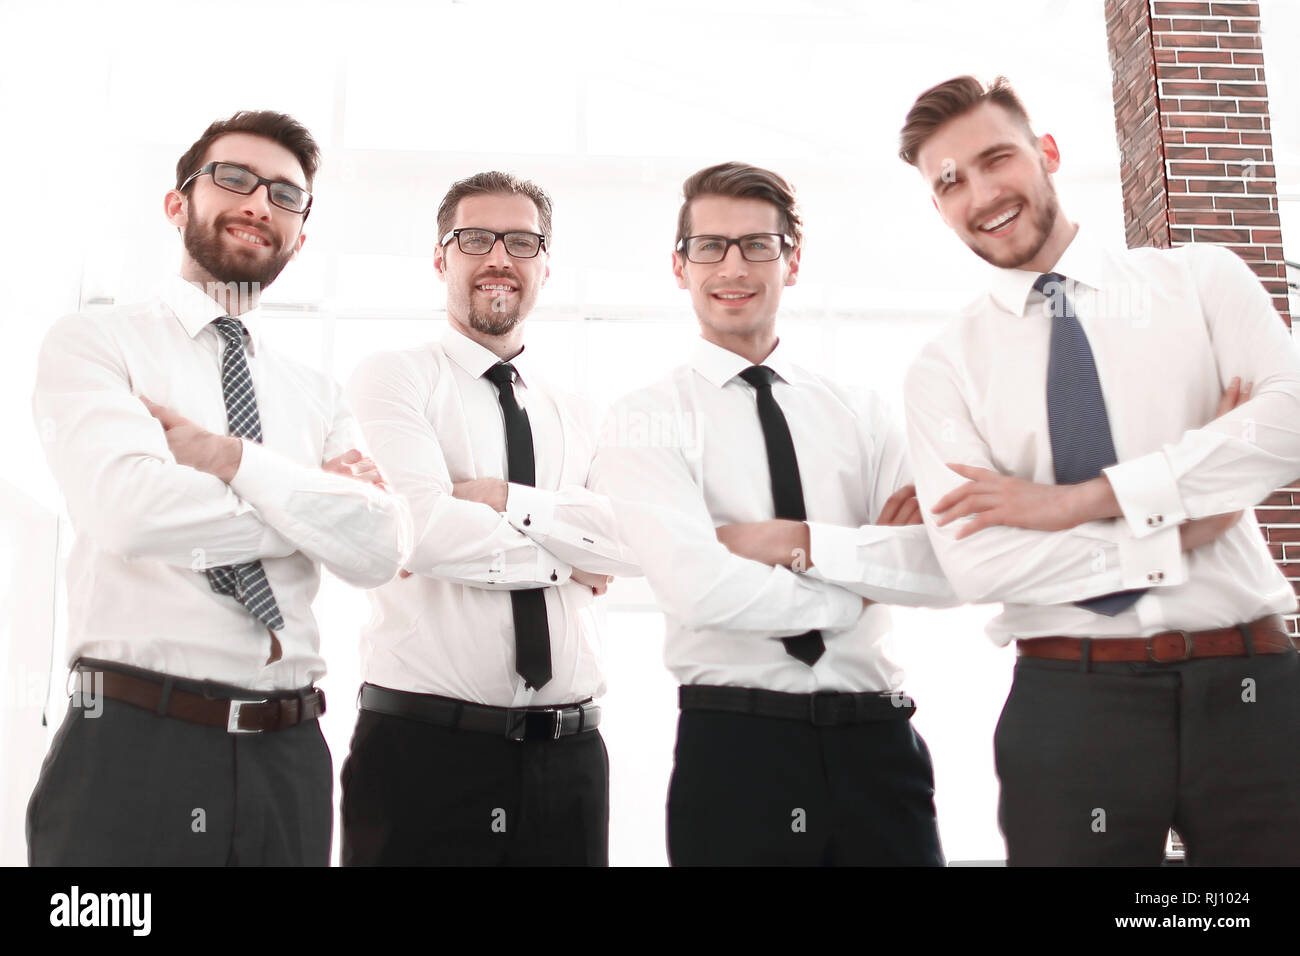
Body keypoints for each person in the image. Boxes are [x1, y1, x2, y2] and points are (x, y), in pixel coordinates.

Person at [898, 75, 1300, 865]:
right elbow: (981, 560)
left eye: (995, 159)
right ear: (938, 205)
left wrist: (1078, 502)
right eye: (949, 182)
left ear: (1046, 153)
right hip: (1071, 703)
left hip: (1252, 687)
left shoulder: (1202, 282)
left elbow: (1285, 427)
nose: (980, 193)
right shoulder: (943, 371)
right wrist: (1183, 521)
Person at [27, 110, 411, 866]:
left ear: (299, 234)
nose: (259, 203)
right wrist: (316, 506)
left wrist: (233, 461)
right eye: (233, 179)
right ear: (179, 204)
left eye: (285, 194)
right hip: (135, 748)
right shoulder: (98, 343)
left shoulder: (318, 393)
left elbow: (381, 549)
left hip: (289, 758)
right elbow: (130, 512)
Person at [588, 161, 957, 866]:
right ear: (679, 265)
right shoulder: (646, 419)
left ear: (792, 261)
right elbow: (698, 588)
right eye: (710, 246)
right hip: (736, 753)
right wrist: (859, 579)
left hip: (880, 747)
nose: (733, 266)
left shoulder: (864, 412)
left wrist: (792, 542)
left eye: (758, 245)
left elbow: (944, 568)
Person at [342, 171, 637, 866]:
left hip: (571, 761)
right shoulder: (396, 377)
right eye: (475, 239)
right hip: (423, 755)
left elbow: (634, 542)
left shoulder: (582, 410)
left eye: (521, 241)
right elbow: (430, 534)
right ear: (442, 259)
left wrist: (509, 499)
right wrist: (575, 555)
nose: (499, 257)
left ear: (545, 264)